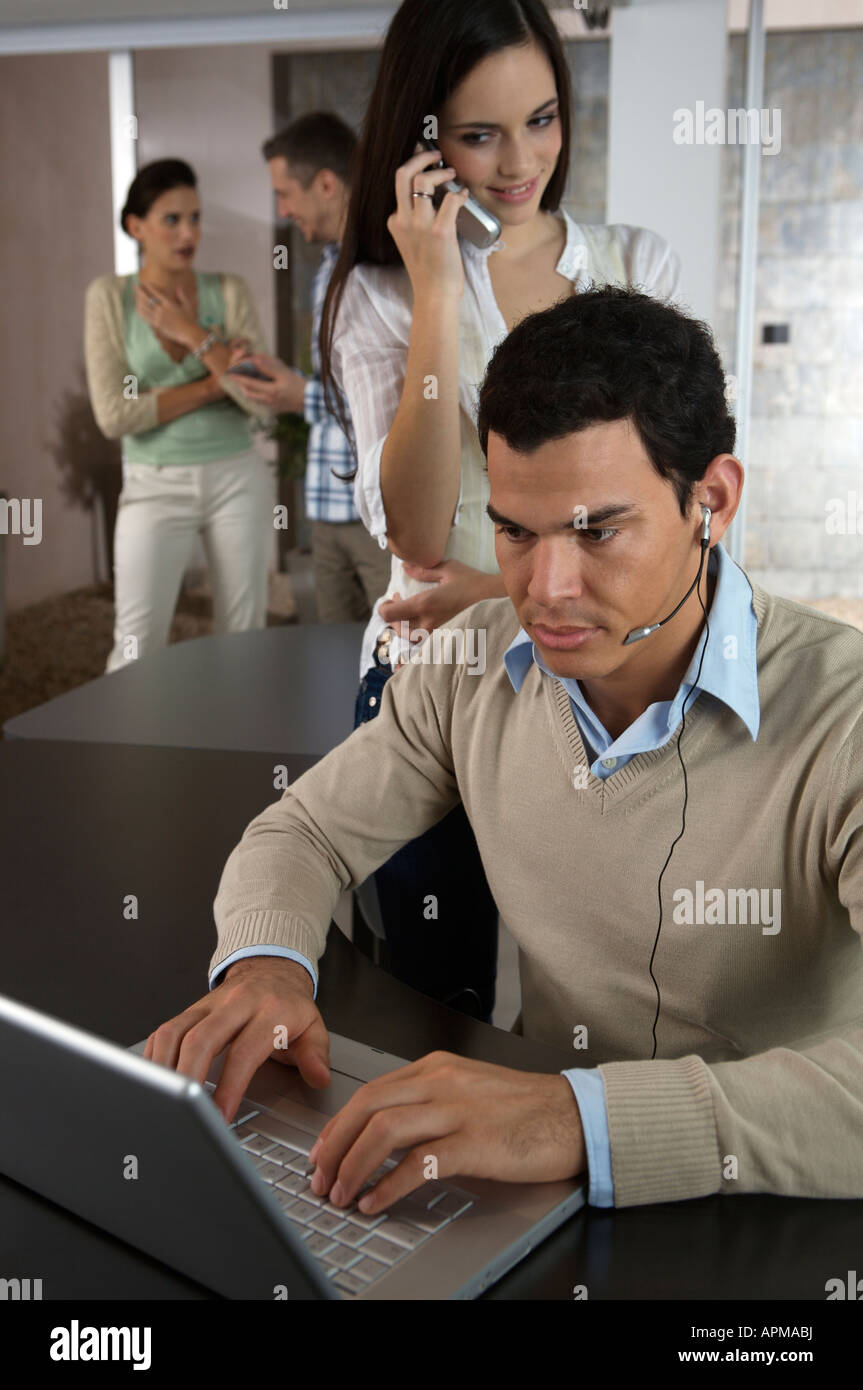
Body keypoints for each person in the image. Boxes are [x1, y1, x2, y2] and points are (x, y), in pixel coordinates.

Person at [145, 286, 863, 1214]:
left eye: (596, 530)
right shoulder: (470, 663)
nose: (547, 588)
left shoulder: (842, 717)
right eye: (515, 532)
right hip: (535, 1181)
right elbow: (304, 833)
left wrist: (579, 1120)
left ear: (710, 500)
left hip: (780, 1207)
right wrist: (267, 965)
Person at [315, 0, 682, 1019]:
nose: (522, 161)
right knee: (443, 1003)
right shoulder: (379, 297)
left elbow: (665, 512)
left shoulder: (633, 268)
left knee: (606, 1005)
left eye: (542, 118)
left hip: (600, 684)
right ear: (421, 143)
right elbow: (421, 535)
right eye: (479, 135)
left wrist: (495, 589)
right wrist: (436, 293)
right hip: (436, 692)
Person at [84, 158, 276, 672]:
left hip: (238, 476)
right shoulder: (109, 299)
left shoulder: (228, 291)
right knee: (134, 646)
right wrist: (218, 379)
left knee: (244, 639)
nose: (188, 232)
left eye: (195, 217)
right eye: (172, 219)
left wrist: (191, 332)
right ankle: (123, 752)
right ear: (136, 227)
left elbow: (261, 400)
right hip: (153, 483)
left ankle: (233, 748)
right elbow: (114, 414)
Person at [232, 114, 391, 624]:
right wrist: (286, 379)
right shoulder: (327, 265)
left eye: (285, 193)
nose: (282, 210)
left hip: (378, 517)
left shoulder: (384, 264)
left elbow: (401, 392)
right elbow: (342, 382)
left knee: (402, 667)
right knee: (333, 663)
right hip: (326, 506)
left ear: (326, 184)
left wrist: (301, 396)